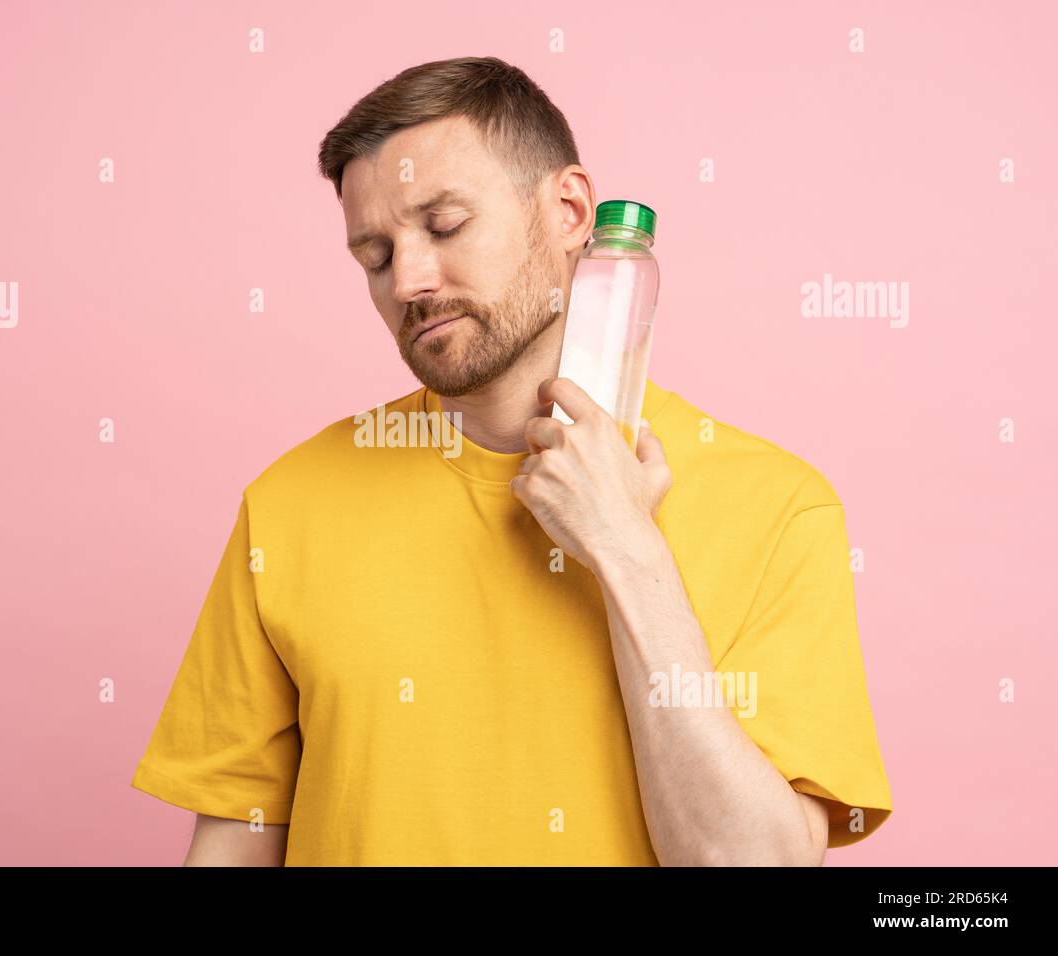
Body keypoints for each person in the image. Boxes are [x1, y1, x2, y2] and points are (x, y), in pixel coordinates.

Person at [131, 55, 893, 866]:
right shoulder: (287, 505)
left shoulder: (778, 507)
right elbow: (234, 841)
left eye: (446, 224)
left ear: (569, 210)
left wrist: (627, 549)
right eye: (376, 257)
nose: (412, 281)